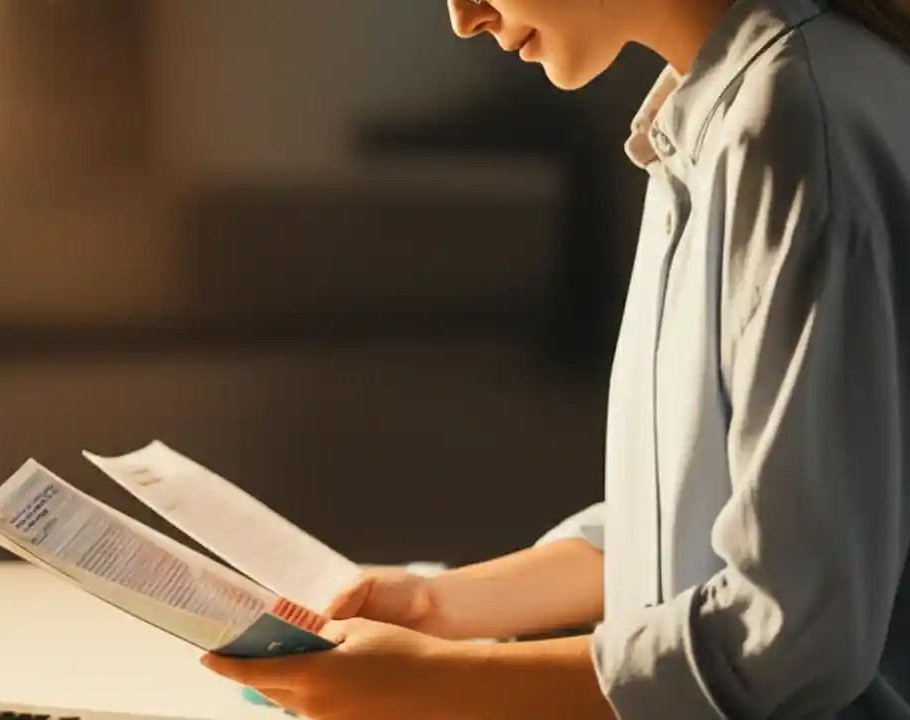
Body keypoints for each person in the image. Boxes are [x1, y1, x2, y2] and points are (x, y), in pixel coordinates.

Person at [200, 0, 910, 717]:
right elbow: (719, 511)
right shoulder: (728, 113)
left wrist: (436, 683)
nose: (463, 17)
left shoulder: (795, 128)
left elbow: (794, 637)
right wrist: (434, 606)